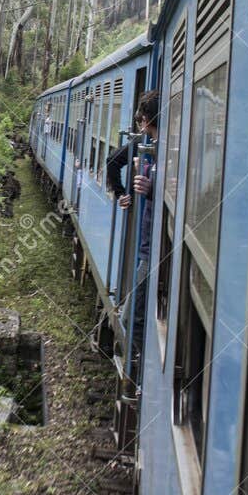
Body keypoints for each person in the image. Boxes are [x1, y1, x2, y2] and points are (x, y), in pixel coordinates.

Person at [106, 91, 159, 341]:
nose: (139, 125)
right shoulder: (149, 145)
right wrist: (123, 192)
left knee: (132, 320)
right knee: (133, 316)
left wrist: (126, 192)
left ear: (145, 120)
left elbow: (111, 161)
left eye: (140, 120)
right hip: (149, 247)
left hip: (153, 251)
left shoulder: (159, 146)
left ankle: (137, 362)